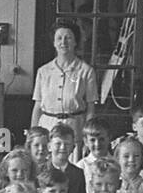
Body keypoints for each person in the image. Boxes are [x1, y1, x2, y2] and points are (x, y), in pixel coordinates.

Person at [31, 18, 96, 146]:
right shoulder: (43, 71)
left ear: (75, 42)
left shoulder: (86, 71)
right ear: (54, 42)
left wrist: (88, 137)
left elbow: (91, 109)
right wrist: (33, 134)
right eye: (59, 38)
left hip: (75, 128)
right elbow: (37, 106)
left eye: (68, 38)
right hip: (47, 128)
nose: (63, 42)